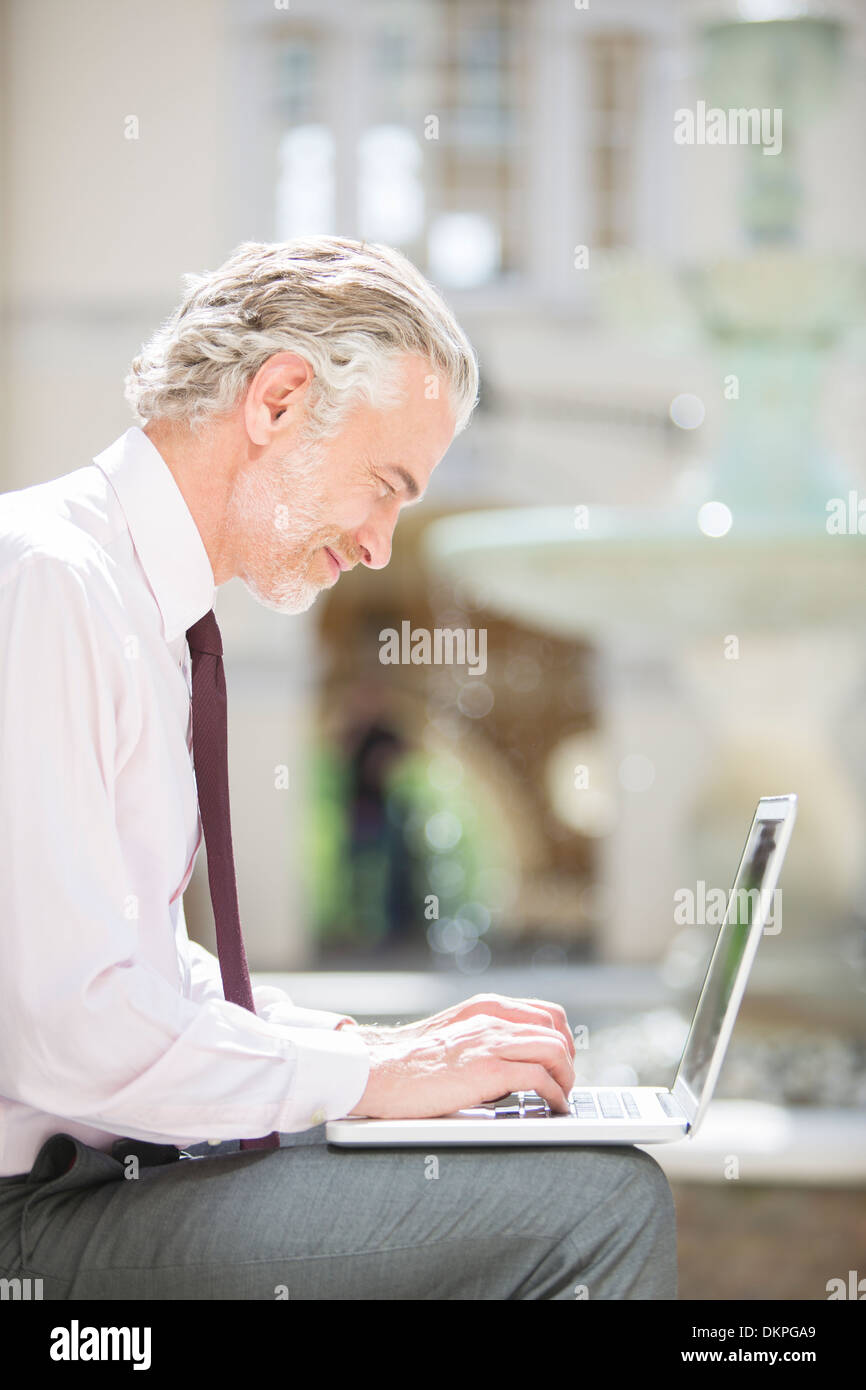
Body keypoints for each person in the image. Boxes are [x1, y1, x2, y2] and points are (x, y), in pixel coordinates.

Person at [0, 236, 676, 1299]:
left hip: (90, 1176)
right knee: (597, 1204)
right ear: (275, 400)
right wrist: (375, 1077)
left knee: (547, 1166)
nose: (376, 545)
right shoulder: (52, 583)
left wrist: (379, 1045)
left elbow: (149, 980)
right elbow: (70, 1035)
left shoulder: (133, 603)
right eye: (383, 485)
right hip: (31, 1219)